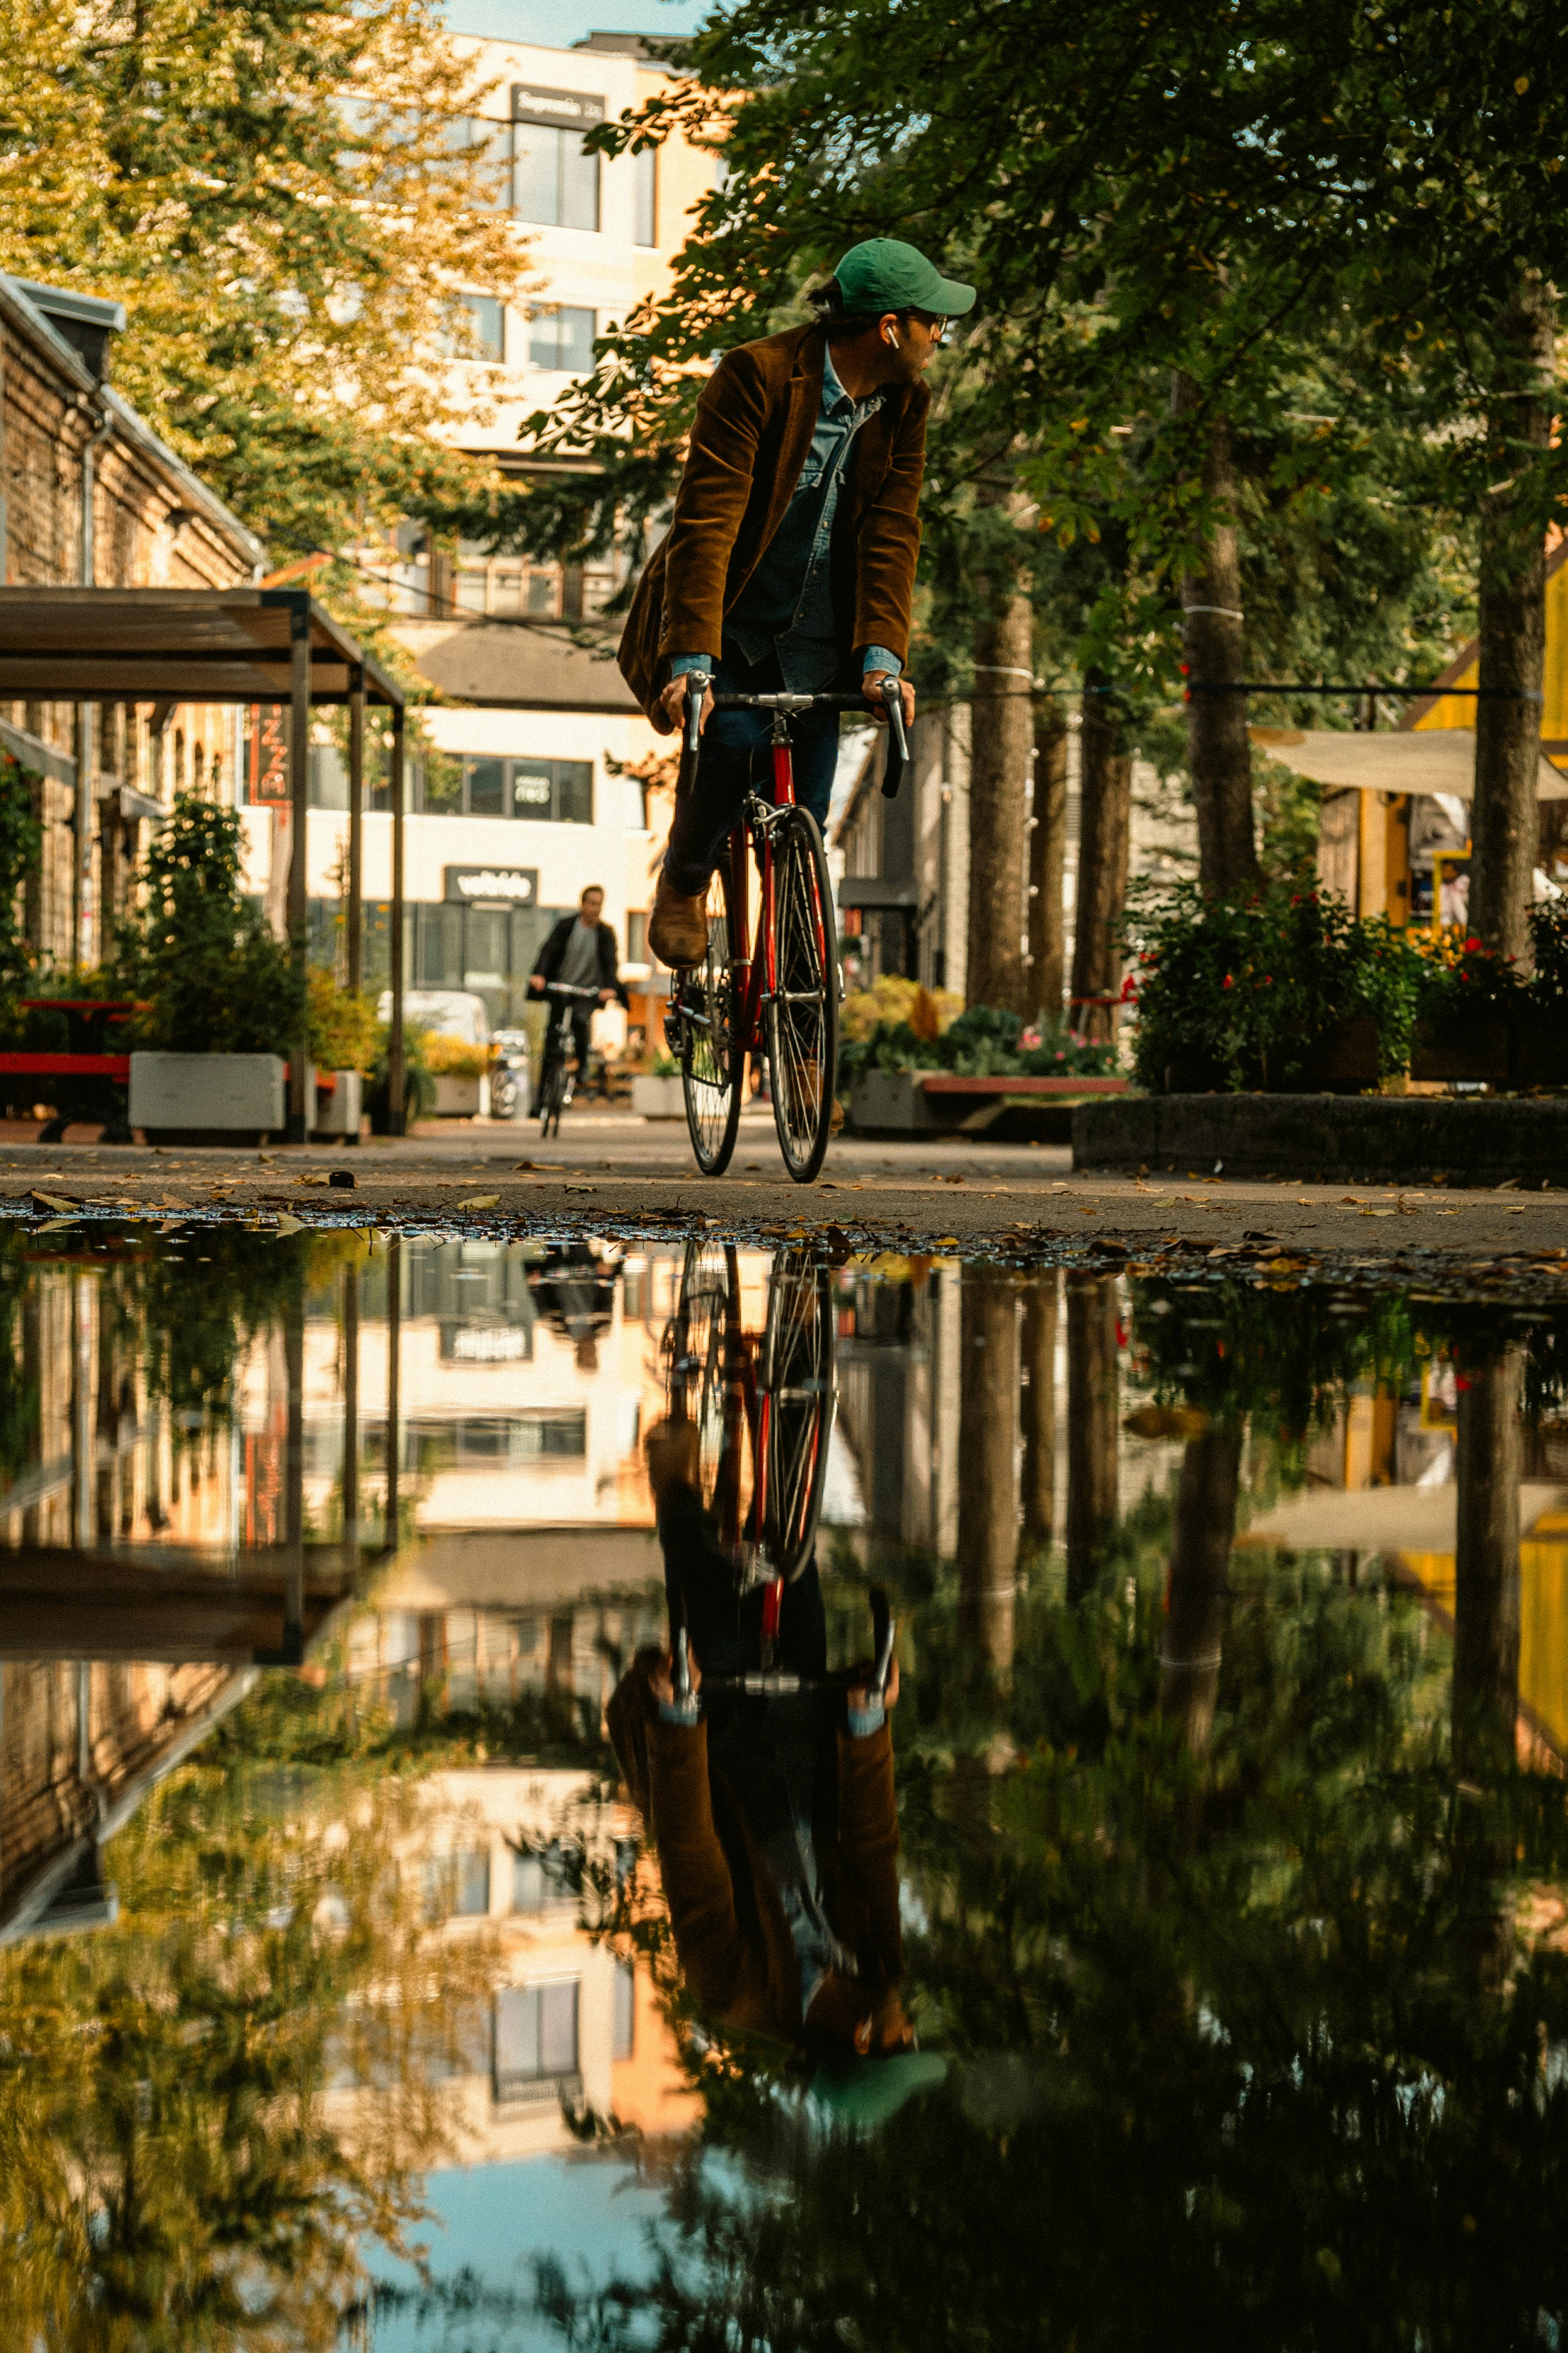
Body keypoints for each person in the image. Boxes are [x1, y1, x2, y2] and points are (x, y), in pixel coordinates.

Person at [618, 238, 976, 970]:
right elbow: (708, 520)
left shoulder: (906, 400)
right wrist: (693, 662)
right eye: (932, 321)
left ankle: (807, 1055)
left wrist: (881, 660)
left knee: (804, 837)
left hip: (820, 632)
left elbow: (891, 529)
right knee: (726, 742)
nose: (941, 334)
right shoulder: (758, 375)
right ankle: (685, 879)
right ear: (889, 328)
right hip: (735, 618)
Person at [607, 1418, 915, 2061]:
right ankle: (788, 1402)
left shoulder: (738, 1992)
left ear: (861, 2040)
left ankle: (674, 1490)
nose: (910, 2027)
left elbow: (693, 1852)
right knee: (794, 1553)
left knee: (712, 1627)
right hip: (805, 1736)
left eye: (902, 2040)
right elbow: (872, 1845)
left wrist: (681, 1718)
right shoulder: (881, 1965)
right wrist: (867, 1725)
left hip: (716, 1753)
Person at [529, 885, 628, 1091]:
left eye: (599, 904)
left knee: (581, 1023)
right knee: (553, 1041)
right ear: (582, 904)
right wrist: (539, 974)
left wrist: (609, 988)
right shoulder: (566, 926)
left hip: (586, 992)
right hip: (561, 989)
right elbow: (548, 951)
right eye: (591, 903)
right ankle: (542, 1098)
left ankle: (583, 1065)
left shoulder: (605, 934)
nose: (595, 908)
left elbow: (611, 963)